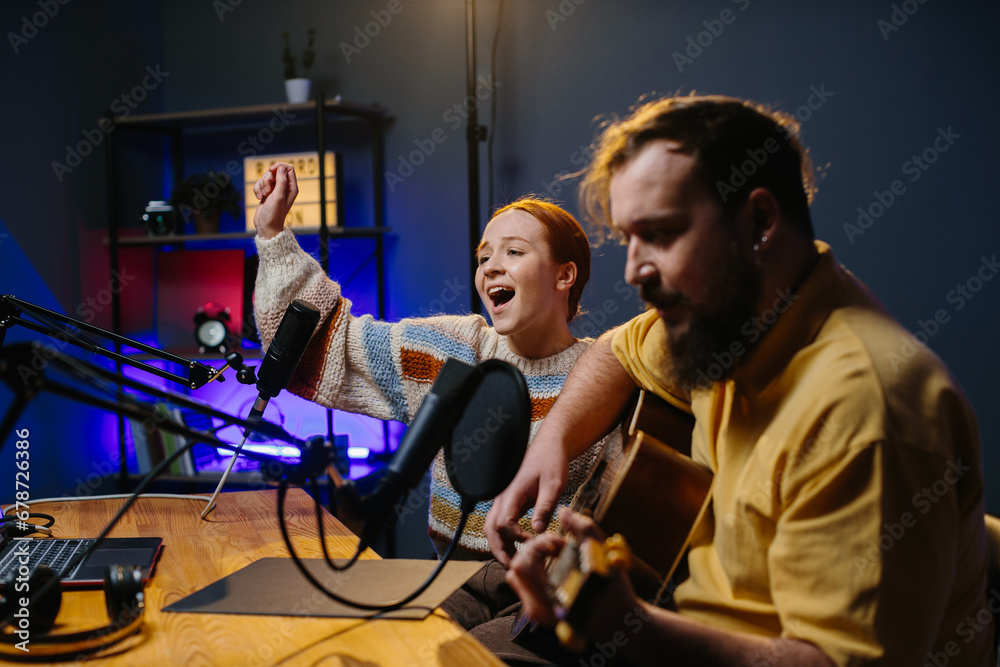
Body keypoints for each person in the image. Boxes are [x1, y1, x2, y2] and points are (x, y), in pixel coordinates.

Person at [485, 95, 991, 666]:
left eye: (661, 234)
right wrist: (552, 440)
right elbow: (616, 351)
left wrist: (628, 626)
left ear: (758, 223)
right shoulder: (724, 321)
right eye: (629, 238)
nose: (633, 271)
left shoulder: (867, 407)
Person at [250, 162, 619, 661]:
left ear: (564, 275)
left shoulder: (607, 377)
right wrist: (272, 233)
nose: (491, 266)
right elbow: (327, 342)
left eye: (514, 252)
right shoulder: (453, 348)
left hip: (546, 590)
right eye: (483, 256)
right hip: (451, 575)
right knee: (372, 649)